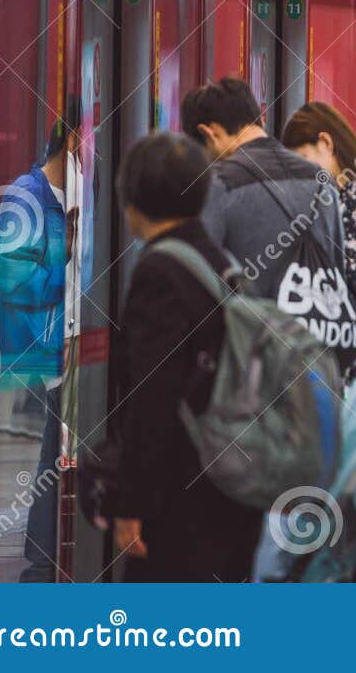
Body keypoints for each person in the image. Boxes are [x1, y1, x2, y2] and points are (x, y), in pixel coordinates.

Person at [111, 132, 263, 581]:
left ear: (136, 201)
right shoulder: (219, 262)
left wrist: (132, 503)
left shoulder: (160, 270)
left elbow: (151, 396)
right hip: (232, 482)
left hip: (180, 495)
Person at [181, 78, 351, 368]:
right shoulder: (321, 181)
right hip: (317, 360)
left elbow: (201, 289)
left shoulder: (219, 184)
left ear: (209, 133)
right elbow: (337, 268)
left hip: (249, 369)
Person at [0, 113, 79, 582]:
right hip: (42, 341)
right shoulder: (27, 195)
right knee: (53, 446)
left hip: (58, 341)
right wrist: (64, 261)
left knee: (54, 447)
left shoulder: (66, 198)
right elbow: (9, 276)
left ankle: (44, 548)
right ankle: (43, 552)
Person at [281, 102, 356, 391]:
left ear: (326, 142)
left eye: (305, 158)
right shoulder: (330, 200)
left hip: (347, 372)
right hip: (338, 367)